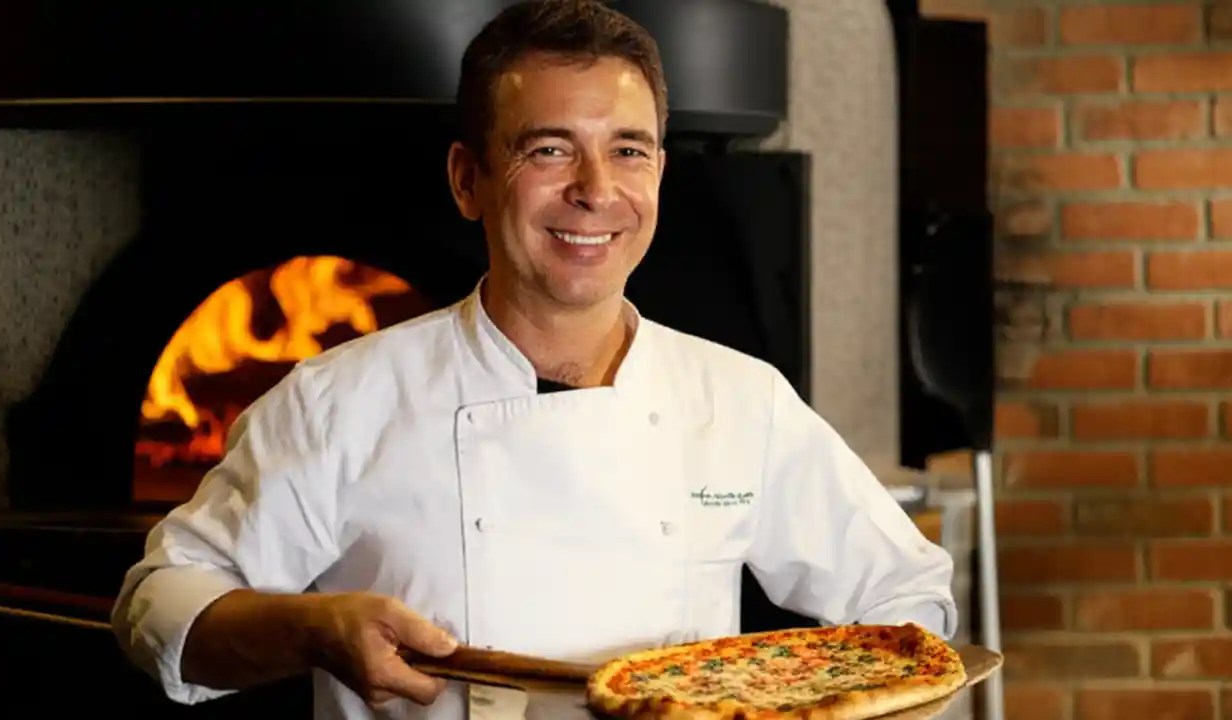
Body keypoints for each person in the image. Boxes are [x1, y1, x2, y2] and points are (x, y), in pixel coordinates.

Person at [110, 1, 957, 718]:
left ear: (660, 174)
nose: (596, 189)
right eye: (549, 149)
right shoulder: (340, 401)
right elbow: (161, 604)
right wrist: (311, 629)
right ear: (468, 180)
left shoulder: (738, 400)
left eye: (629, 150)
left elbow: (908, 601)